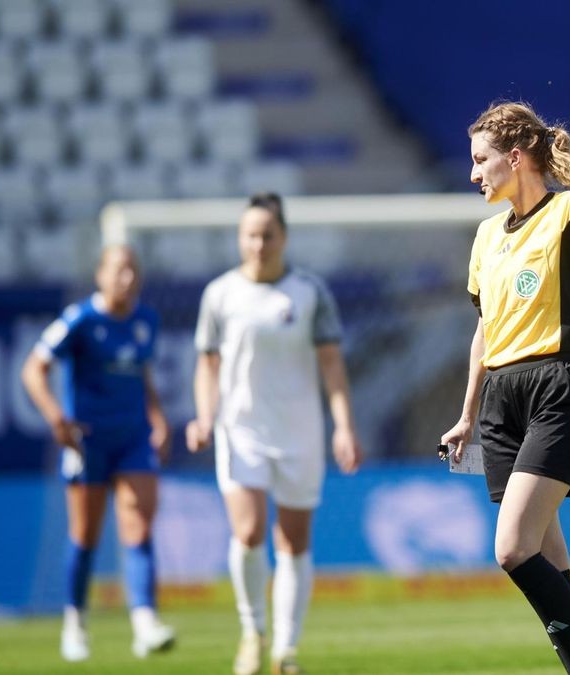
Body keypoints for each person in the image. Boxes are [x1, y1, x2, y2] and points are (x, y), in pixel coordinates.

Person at [440, 75, 570, 674]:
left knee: (512, 549)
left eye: (480, 160)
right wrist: (466, 415)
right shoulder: (485, 237)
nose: (473, 174)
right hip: (501, 404)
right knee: (552, 564)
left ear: (515, 157)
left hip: (557, 390)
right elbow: (486, 331)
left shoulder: (567, 213)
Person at [185, 192, 362, 675]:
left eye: (267, 235)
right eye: (250, 235)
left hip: (299, 434)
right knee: (246, 533)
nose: (258, 244)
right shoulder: (220, 294)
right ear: (239, 239)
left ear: (283, 237)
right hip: (240, 430)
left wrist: (344, 426)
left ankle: (285, 650)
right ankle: (252, 631)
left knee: (293, 543)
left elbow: (332, 364)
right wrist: (205, 417)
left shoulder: (308, 292)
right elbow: (207, 365)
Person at [21, 245, 176, 662]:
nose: (128, 278)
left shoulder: (146, 320)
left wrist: (158, 417)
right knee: (86, 534)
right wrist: (56, 417)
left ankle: (145, 622)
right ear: (100, 275)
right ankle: (75, 623)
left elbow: (141, 373)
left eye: (133, 270)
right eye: (119, 270)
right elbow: (33, 368)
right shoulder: (80, 320)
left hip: (134, 438)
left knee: (139, 525)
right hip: (88, 441)